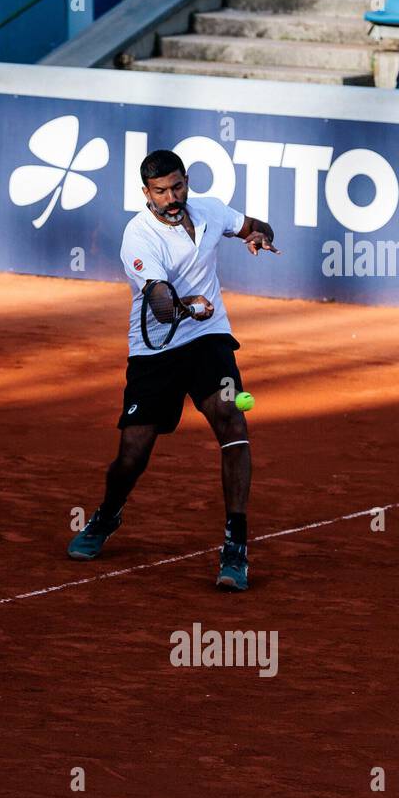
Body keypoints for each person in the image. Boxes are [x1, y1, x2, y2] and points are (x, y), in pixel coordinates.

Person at [68, 151, 278, 592]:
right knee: (133, 453)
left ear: (186, 182)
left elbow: (256, 225)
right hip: (156, 350)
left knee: (232, 421)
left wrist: (255, 235)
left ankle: (235, 545)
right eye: (161, 191)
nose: (172, 197)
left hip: (209, 339)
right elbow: (162, 307)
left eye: (178, 186)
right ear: (146, 193)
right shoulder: (138, 236)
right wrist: (189, 307)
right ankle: (108, 514)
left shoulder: (209, 209)